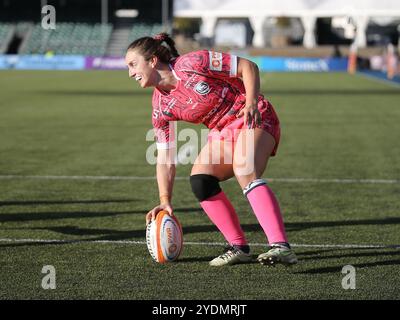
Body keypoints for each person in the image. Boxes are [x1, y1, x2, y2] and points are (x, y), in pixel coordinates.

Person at [125, 33, 298, 267]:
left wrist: (251, 103)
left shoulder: (193, 62)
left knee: (245, 169)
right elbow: (165, 157)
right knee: (200, 179)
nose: (130, 73)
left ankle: (281, 246)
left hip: (253, 114)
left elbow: (248, 67)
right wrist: (165, 200)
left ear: (153, 61)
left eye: (133, 65)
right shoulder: (160, 106)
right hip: (222, 130)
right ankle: (239, 247)